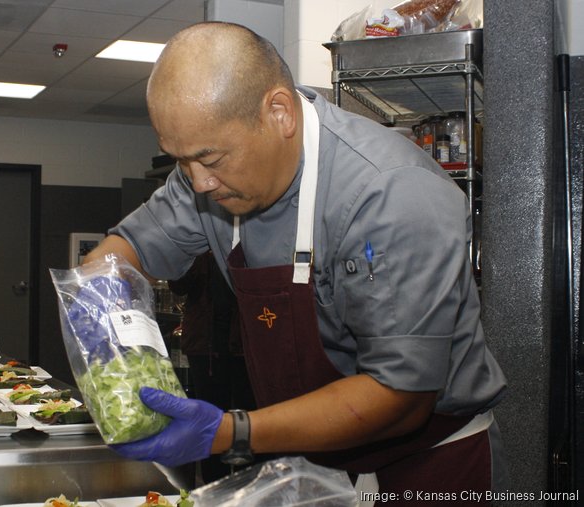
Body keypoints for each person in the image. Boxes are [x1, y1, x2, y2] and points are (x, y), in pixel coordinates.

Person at [82, 21, 508, 499]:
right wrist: (97, 310)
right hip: (312, 457)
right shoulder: (206, 178)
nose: (198, 182)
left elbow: (400, 396)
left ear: (279, 113)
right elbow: (127, 250)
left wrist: (234, 431)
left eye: (210, 159)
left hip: (429, 464)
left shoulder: (390, 193)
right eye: (181, 161)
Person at [167, 251, 255, 484]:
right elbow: (178, 285)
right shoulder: (198, 239)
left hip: (248, 344)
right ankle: (213, 491)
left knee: (251, 423)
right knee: (209, 424)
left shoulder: (251, 233)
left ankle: (253, 492)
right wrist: (191, 250)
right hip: (205, 344)